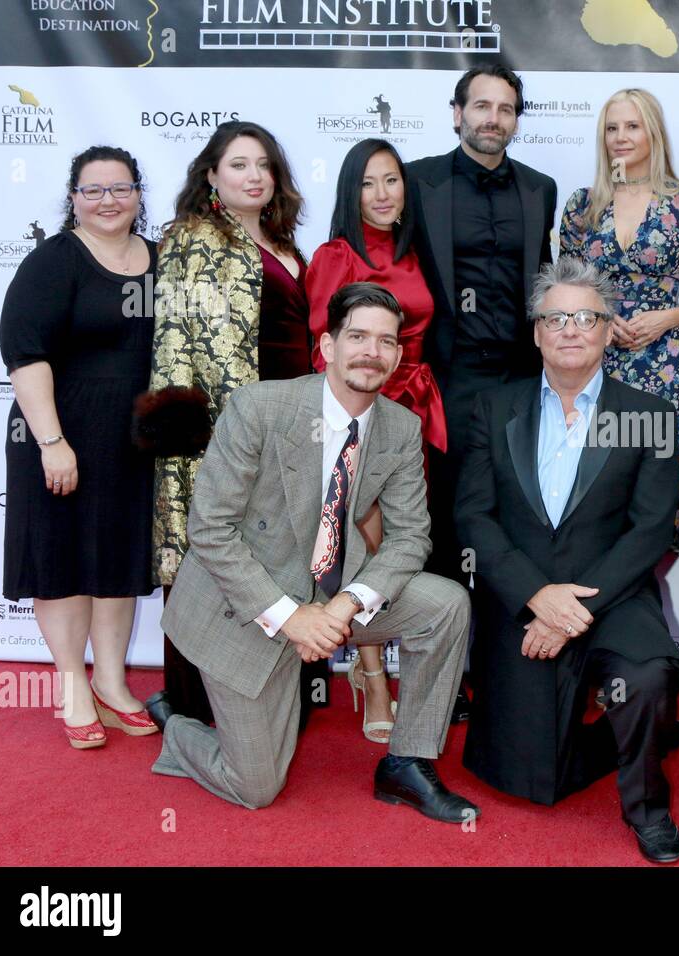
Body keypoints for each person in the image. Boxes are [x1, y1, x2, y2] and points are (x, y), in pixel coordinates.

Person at [144, 283, 476, 820]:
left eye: (386, 341)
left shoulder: (400, 426)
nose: (372, 351)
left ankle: (408, 761)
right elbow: (210, 529)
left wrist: (344, 606)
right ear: (327, 346)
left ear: (397, 356)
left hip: (329, 601)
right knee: (254, 787)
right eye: (358, 336)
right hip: (247, 609)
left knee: (445, 603)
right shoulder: (260, 408)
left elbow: (411, 535)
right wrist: (290, 617)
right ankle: (177, 726)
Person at [455, 259, 679, 863]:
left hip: (611, 594)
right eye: (555, 317)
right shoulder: (491, 408)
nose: (570, 329)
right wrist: (538, 597)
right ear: (535, 332)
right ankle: (628, 736)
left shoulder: (652, 415)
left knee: (645, 676)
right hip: (521, 598)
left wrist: (569, 610)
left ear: (609, 330)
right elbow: (474, 519)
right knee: (538, 783)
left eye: (586, 317)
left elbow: (649, 532)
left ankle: (649, 805)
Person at [147, 121, 327, 728]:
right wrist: (203, 438)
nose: (255, 176)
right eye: (239, 165)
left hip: (293, 421)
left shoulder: (284, 242)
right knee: (215, 554)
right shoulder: (194, 237)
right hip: (227, 429)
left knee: (277, 551)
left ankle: (273, 698)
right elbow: (178, 342)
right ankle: (200, 708)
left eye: (264, 166)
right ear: (212, 176)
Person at [0, 145, 158, 748]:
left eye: (120, 188)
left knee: (117, 562)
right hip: (57, 434)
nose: (107, 200)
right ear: (73, 198)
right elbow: (25, 352)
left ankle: (113, 684)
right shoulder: (53, 262)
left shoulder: (159, 260)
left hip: (130, 441)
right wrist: (51, 441)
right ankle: (72, 684)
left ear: (139, 194)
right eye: (93, 190)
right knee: (61, 560)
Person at [306, 138, 446, 741]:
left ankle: (406, 663)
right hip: (362, 410)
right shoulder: (335, 255)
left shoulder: (419, 252)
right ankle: (371, 674)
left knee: (409, 538)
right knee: (365, 535)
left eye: (392, 181)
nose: (383, 194)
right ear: (349, 191)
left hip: (415, 406)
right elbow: (323, 346)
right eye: (368, 183)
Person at [406, 63, 556, 585]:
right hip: (446, 377)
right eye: (482, 106)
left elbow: (541, 277)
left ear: (516, 120)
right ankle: (445, 645)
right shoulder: (416, 181)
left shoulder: (541, 189)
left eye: (505, 109)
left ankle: (505, 655)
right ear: (457, 114)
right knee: (444, 511)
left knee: (513, 512)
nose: (493, 118)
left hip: (520, 379)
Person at [560, 87, 679, 555]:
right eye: (612, 128)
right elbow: (567, 288)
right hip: (594, 356)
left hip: (662, 359)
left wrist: (666, 319)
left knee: (656, 471)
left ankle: (642, 595)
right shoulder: (582, 205)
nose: (620, 137)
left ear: (652, 132)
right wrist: (604, 323)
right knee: (597, 473)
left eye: (632, 126)